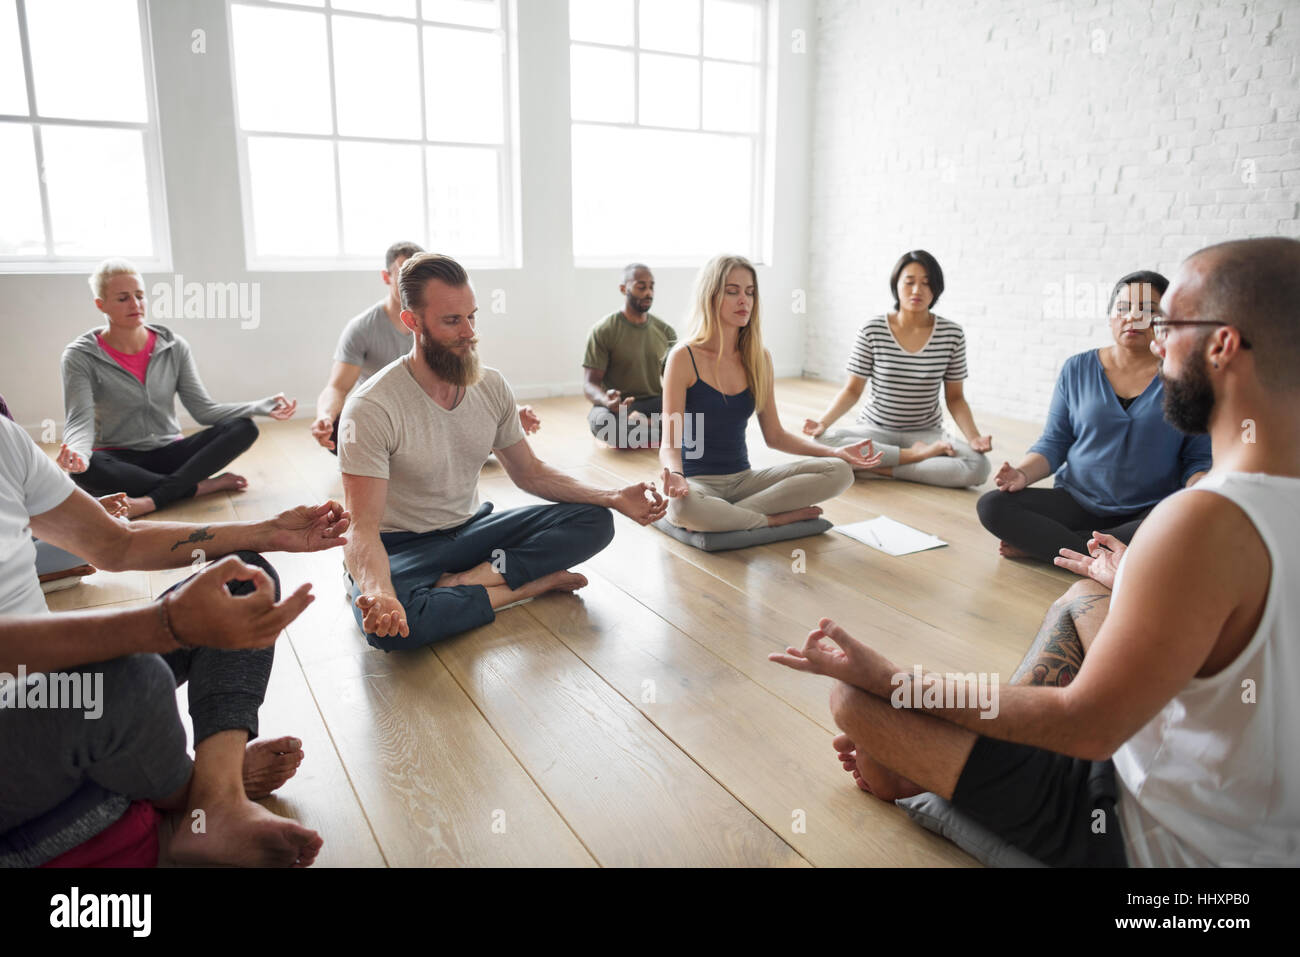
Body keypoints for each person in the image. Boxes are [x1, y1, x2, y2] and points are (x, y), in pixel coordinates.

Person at [770, 237, 1300, 866]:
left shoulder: (1200, 520)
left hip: (1148, 835)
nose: (1156, 339)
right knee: (1083, 592)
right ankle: (956, 766)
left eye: (1171, 323)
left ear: (1222, 346)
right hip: (1260, 819)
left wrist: (891, 681)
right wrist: (1131, 572)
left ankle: (939, 784)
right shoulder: (1239, 510)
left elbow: (1088, 724)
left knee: (855, 703)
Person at [0, 412, 353, 866]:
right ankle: (204, 784)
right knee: (133, 681)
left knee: (240, 582)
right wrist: (163, 624)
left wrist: (266, 533)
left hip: (49, 690)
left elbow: (115, 544)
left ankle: (216, 802)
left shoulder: (6, 439)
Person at [339, 252, 667, 651]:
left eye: (472, 317)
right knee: (390, 626)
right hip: (402, 549)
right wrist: (378, 591)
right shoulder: (372, 407)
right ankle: (523, 586)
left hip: (472, 532)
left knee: (595, 522)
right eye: (452, 321)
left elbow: (530, 472)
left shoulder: (491, 386)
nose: (469, 332)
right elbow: (362, 528)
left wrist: (612, 497)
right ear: (412, 322)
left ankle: (468, 582)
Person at [977, 271, 1211, 562]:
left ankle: (1052, 548)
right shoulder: (1077, 368)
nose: (1133, 318)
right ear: (1110, 315)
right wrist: (1022, 474)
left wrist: (1200, 489)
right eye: (1123, 308)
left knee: (1182, 526)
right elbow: (1055, 440)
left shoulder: (1187, 379)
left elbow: (1197, 460)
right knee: (992, 506)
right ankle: (1107, 557)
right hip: (1077, 501)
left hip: (1147, 510)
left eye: (1149, 310)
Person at [58, 259, 298, 518]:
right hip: (118, 457)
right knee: (85, 470)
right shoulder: (79, 356)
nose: (136, 304)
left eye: (140, 295)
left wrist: (258, 407)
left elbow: (203, 410)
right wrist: (77, 453)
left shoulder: (173, 346)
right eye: (123, 298)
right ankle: (200, 487)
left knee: (244, 427)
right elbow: (79, 420)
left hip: (171, 451)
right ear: (100, 304)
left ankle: (151, 500)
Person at [658, 255, 879, 533]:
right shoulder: (683, 357)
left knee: (840, 471)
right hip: (697, 483)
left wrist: (835, 451)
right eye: (732, 291)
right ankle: (772, 520)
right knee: (682, 507)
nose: (744, 301)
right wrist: (676, 476)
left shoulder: (759, 358)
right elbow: (669, 443)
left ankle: (727, 518)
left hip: (744, 482)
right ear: (710, 295)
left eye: (750, 292)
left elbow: (775, 436)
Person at [311, 241, 539, 454]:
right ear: (386, 277)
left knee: (477, 427)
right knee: (346, 430)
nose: (412, 284)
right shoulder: (362, 328)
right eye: (404, 274)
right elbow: (337, 387)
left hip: (433, 412)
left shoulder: (446, 322)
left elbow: (463, 380)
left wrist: (508, 413)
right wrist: (325, 417)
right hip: (387, 417)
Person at [805, 250, 993, 488]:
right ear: (896, 284)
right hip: (875, 429)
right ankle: (914, 458)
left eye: (926, 283)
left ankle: (880, 468)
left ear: (936, 289)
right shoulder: (873, 329)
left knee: (978, 467)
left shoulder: (951, 334)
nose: (917, 290)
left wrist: (974, 438)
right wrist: (823, 422)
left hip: (925, 433)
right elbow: (852, 390)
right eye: (910, 282)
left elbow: (955, 398)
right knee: (822, 441)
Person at [582, 263, 677, 448]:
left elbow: (675, 381)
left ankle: (645, 427)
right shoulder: (603, 330)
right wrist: (606, 400)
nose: (648, 292)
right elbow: (589, 384)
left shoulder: (665, 331)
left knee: (702, 415)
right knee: (603, 424)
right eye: (641, 287)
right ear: (624, 289)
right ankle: (664, 433)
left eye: (651, 287)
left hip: (656, 402)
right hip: (619, 407)